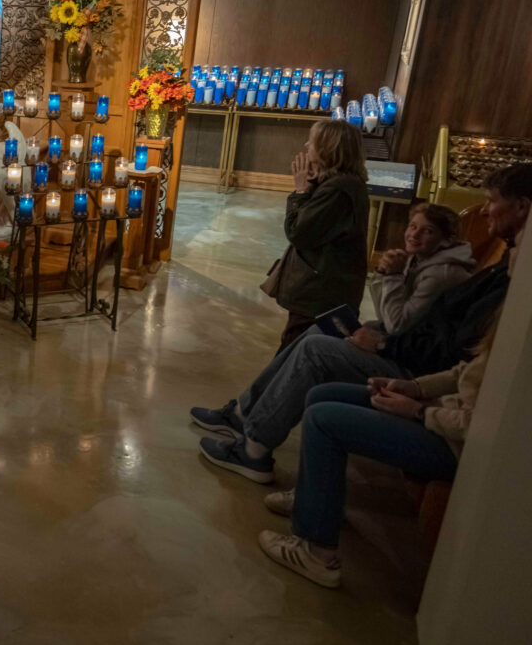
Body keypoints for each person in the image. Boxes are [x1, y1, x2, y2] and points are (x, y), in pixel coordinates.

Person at [191, 163, 532, 483]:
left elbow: (417, 331)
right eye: (412, 228)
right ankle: (244, 412)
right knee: (320, 329)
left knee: (315, 350)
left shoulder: (455, 273)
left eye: (491, 201)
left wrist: (386, 316)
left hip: (414, 367)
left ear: (522, 208)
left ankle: (253, 450)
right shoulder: (497, 265)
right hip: (413, 356)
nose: (485, 210)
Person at [257, 309, 500, 588]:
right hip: (438, 415)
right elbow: (462, 373)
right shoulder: (511, 305)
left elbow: (482, 426)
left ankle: (316, 553)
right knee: (322, 395)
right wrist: (413, 387)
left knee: (323, 421)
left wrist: (419, 411)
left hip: (454, 445)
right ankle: (316, 503)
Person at [268, 119, 369, 351]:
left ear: (328, 149)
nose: (306, 145)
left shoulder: (338, 190)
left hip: (320, 297)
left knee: (293, 358)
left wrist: (301, 191)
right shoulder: (341, 183)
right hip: (328, 294)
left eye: (312, 142)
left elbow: (299, 232)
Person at [368, 202, 474, 333]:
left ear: (447, 240)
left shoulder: (441, 274)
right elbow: (384, 316)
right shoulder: (417, 258)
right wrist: (383, 272)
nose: (414, 235)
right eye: (413, 226)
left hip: (423, 347)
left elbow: (397, 327)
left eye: (428, 231)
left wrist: (393, 276)